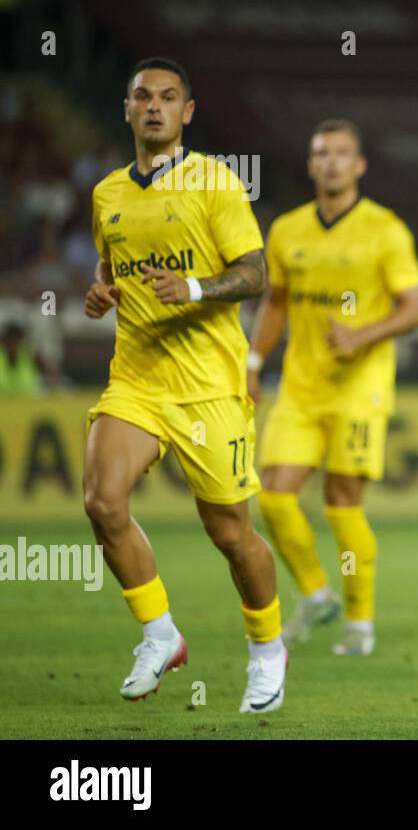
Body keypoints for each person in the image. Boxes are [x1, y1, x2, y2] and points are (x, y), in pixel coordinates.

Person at [82, 57, 285, 711]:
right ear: (127, 108)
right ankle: (160, 631)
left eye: (168, 98)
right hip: (136, 378)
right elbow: (115, 264)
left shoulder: (215, 182)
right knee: (102, 501)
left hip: (208, 384)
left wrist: (194, 287)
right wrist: (101, 291)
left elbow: (255, 275)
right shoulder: (108, 192)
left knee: (231, 535)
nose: (154, 107)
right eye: (143, 96)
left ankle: (267, 647)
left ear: (187, 112)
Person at [247, 119, 418, 657]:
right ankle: (317, 594)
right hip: (300, 388)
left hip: (359, 387)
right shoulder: (286, 230)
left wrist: (362, 335)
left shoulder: (384, 228)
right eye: (321, 153)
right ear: (310, 164)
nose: (330, 161)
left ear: (359, 164)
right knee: (274, 497)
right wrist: (254, 361)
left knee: (340, 502)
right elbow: (276, 300)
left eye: (341, 153)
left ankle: (360, 623)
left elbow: (415, 306)